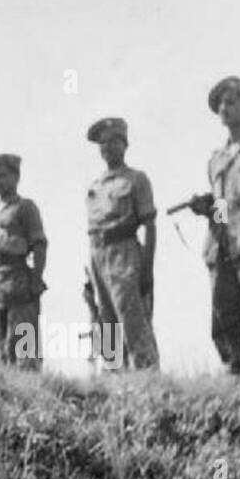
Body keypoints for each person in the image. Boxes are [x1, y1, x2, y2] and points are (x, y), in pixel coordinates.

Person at [188, 76, 240, 378]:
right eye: (221, 103)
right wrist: (209, 210)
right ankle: (238, 373)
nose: (225, 108)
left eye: (231, 101)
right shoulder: (217, 159)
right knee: (224, 316)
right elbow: (224, 206)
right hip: (222, 246)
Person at [84, 118, 159, 371]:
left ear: (124, 145)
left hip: (125, 253)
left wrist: (147, 269)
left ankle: (147, 379)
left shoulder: (137, 179)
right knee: (106, 320)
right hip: (98, 255)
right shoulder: (95, 185)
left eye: (113, 141)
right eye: (102, 143)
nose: (106, 147)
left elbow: (149, 225)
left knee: (133, 321)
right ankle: (114, 379)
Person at [0, 154, 46, 370]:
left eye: (3, 176)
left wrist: (36, 279)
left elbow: (39, 244)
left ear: (16, 177)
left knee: (24, 344)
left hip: (17, 283)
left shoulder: (26, 207)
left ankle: (29, 385)